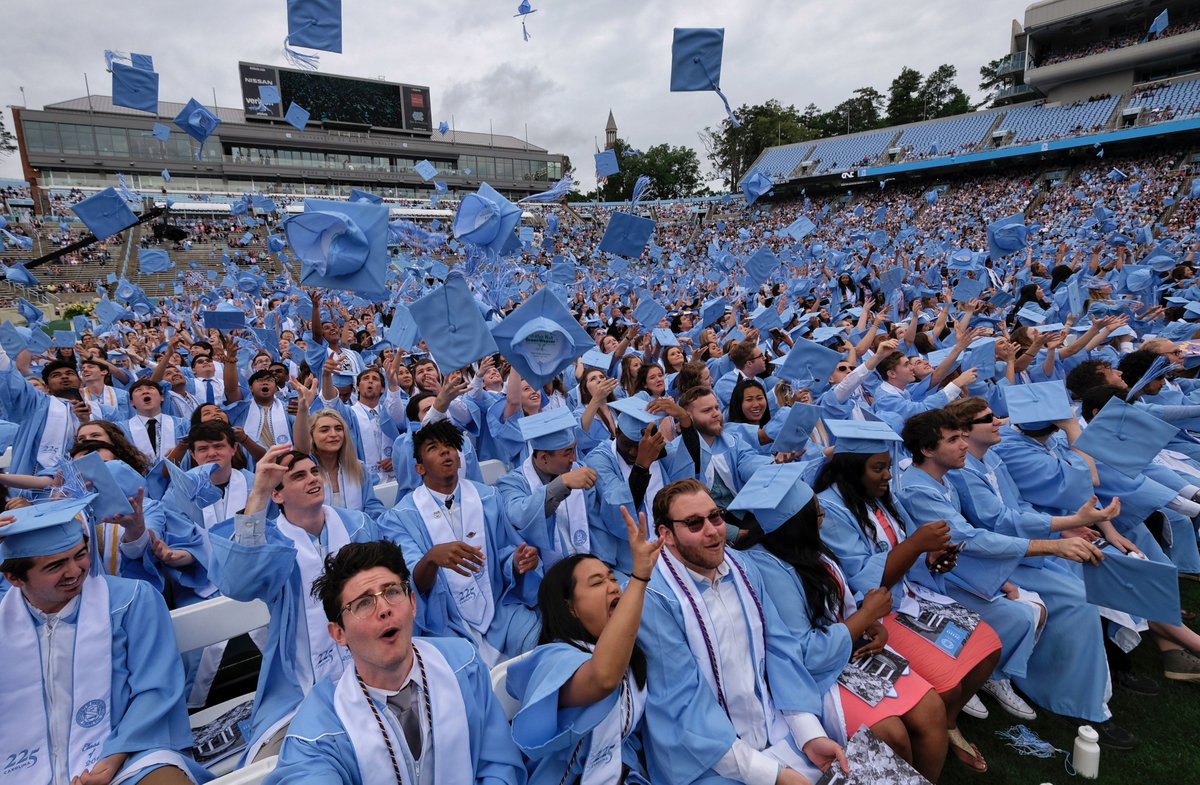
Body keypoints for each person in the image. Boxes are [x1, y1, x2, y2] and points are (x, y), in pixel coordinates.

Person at [896, 409, 1134, 750]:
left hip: (976, 561)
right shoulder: (921, 488)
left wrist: (1064, 529)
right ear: (927, 450)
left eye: (962, 436)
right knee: (1055, 604)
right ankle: (1045, 690)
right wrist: (1051, 542)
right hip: (946, 575)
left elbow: (997, 519)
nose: (963, 444)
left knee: (1076, 583)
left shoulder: (947, 476)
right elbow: (973, 536)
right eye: (954, 439)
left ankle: (1084, 680)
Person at [730, 464, 951, 781]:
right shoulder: (769, 569)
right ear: (797, 524)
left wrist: (868, 623)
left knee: (932, 710)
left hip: (850, 651)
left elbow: (838, 602)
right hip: (816, 677)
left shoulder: (807, 547)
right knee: (891, 735)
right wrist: (864, 617)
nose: (823, 519)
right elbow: (804, 654)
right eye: (817, 514)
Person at [812, 421, 1006, 774]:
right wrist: (917, 544)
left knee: (988, 645)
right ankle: (931, 734)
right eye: (878, 468)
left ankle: (947, 724)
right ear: (852, 470)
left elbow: (904, 549)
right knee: (946, 685)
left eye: (888, 466)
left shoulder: (880, 498)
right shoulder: (831, 510)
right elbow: (865, 581)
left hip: (910, 594)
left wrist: (931, 558)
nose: (888, 475)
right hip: (875, 612)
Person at [638, 478, 848, 785]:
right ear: (666, 535)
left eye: (715, 516)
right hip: (704, 759)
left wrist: (809, 735)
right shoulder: (655, 599)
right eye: (694, 523)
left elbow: (780, 651)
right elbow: (682, 704)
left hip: (771, 730)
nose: (712, 531)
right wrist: (773, 775)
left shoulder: (744, 569)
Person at [264, 540, 526, 785]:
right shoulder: (320, 728)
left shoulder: (462, 665)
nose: (384, 609)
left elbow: (497, 765)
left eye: (391, 591)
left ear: (412, 603)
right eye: (363, 603)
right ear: (339, 633)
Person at [0, 497, 207, 785]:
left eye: (80, 555)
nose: (74, 571)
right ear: (14, 578)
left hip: (131, 753)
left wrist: (111, 760)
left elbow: (156, 689)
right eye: (55, 566)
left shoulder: (132, 600)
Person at [208, 444, 381, 762]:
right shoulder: (273, 545)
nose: (312, 478)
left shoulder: (358, 526)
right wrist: (258, 492)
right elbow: (237, 583)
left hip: (374, 666)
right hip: (299, 681)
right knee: (281, 763)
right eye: (298, 476)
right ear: (278, 495)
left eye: (314, 472)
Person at [506, 504, 662, 785]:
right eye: (597, 583)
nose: (613, 586)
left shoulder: (629, 654)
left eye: (613, 578)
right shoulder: (553, 659)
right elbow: (602, 679)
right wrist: (639, 578)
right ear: (570, 607)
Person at [380, 421, 541, 666]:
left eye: (450, 446)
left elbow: (505, 552)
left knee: (536, 639)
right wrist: (431, 559)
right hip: (445, 621)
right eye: (433, 448)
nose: (445, 451)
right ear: (419, 468)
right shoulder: (401, 518)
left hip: (499, 609)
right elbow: (411, 583)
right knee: (453, 666)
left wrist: (518, 561)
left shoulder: (488, 498)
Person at [495, 407, 600, 570]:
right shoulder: (511, 483)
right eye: (567, 453)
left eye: (574, 450)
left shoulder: (579, 471)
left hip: (588, 563)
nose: (573, 458)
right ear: (544, 458)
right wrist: (561, 484)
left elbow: (597, 525)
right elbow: (520, 515)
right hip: (546, 573)